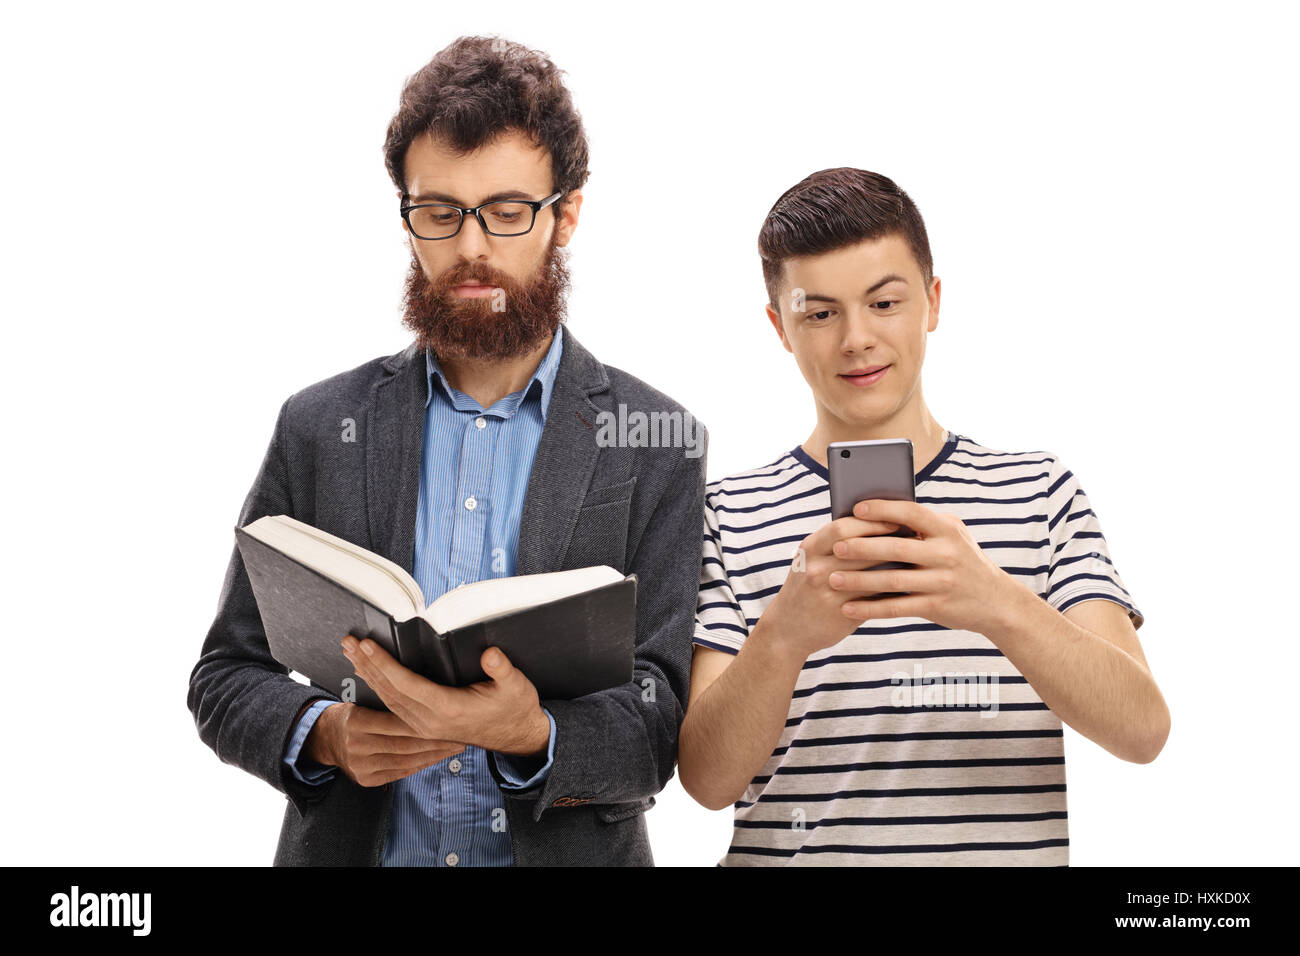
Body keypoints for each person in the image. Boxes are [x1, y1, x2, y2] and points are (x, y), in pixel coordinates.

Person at [188, 35, 707, 867]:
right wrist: (322, 735)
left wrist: (531, 732)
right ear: (407, 217)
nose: (472, 248)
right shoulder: (318, 425)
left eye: (507, 211)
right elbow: (223, 678)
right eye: (439, 212)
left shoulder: (659, 443)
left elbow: (661, 727)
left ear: (565, 213)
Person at [678, 167, 1168, 866]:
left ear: (932, 303)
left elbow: (1143, 729)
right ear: (780, 326)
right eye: (819, 312)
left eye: (884, 302)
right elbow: (706, 780)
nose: (856, 339)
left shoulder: (1039, 491)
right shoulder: (726, 514)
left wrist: (994, 601)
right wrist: (782, 638)